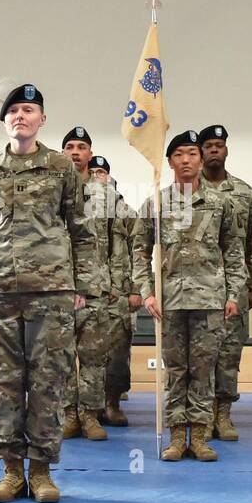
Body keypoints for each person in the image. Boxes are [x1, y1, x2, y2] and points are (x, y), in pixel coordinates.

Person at [0, 85, 99, 503]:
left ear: (42, 119)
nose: (21, 116)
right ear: (5, 122)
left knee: (48, 380)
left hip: (51, 290)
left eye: (29, 110)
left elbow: (81, 231)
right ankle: (10, 471)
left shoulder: (60, 167)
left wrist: (84, 287)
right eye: (14, 111)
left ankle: (41, 472)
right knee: (2, 381)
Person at [134, 130, 246, 462]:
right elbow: (139, 252)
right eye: (179, 154)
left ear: (200, 160)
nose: (187, 160)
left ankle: (199, 436)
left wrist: (233, 294)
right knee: (175, 371)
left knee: (203, 369)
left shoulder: (221, 203)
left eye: (193, 154)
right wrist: (147, 293)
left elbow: (234, 252)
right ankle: (175, 437)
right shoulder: (156, 202)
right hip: (169, 303)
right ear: (169, 161)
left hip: (210, 301)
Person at [199, 125, 252, 441]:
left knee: (228, 354)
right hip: (194, 287)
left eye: (219, 145)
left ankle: (222, 415)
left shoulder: (244, 193)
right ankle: (198, 417)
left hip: (233, 287)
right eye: (208, 145)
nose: (214, 150)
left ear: (226, 151)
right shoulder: (185, 192)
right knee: (198, 356)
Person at [60, 127, 112, 441]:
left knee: (94, 356)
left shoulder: (106, 193)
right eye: (70, 146)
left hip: (95, 286)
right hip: (60, 286)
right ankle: (68, 414)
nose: (75, 152)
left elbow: (119, 238)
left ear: (90, 154)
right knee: (62, 356)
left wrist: (118, 282)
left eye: (81, 147)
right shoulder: (51, 190)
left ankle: (90, 416)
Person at [90, 156, 140, 426]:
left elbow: (140, 252)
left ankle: (112, 402)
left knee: (118, 353)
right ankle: (86, 409)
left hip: (119, 294)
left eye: (103, 172)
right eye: (94, 172)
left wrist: (135, 289)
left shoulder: (127, 213)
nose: (98, 177)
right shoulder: (77, 208)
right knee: (87, 353)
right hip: (88, 292)